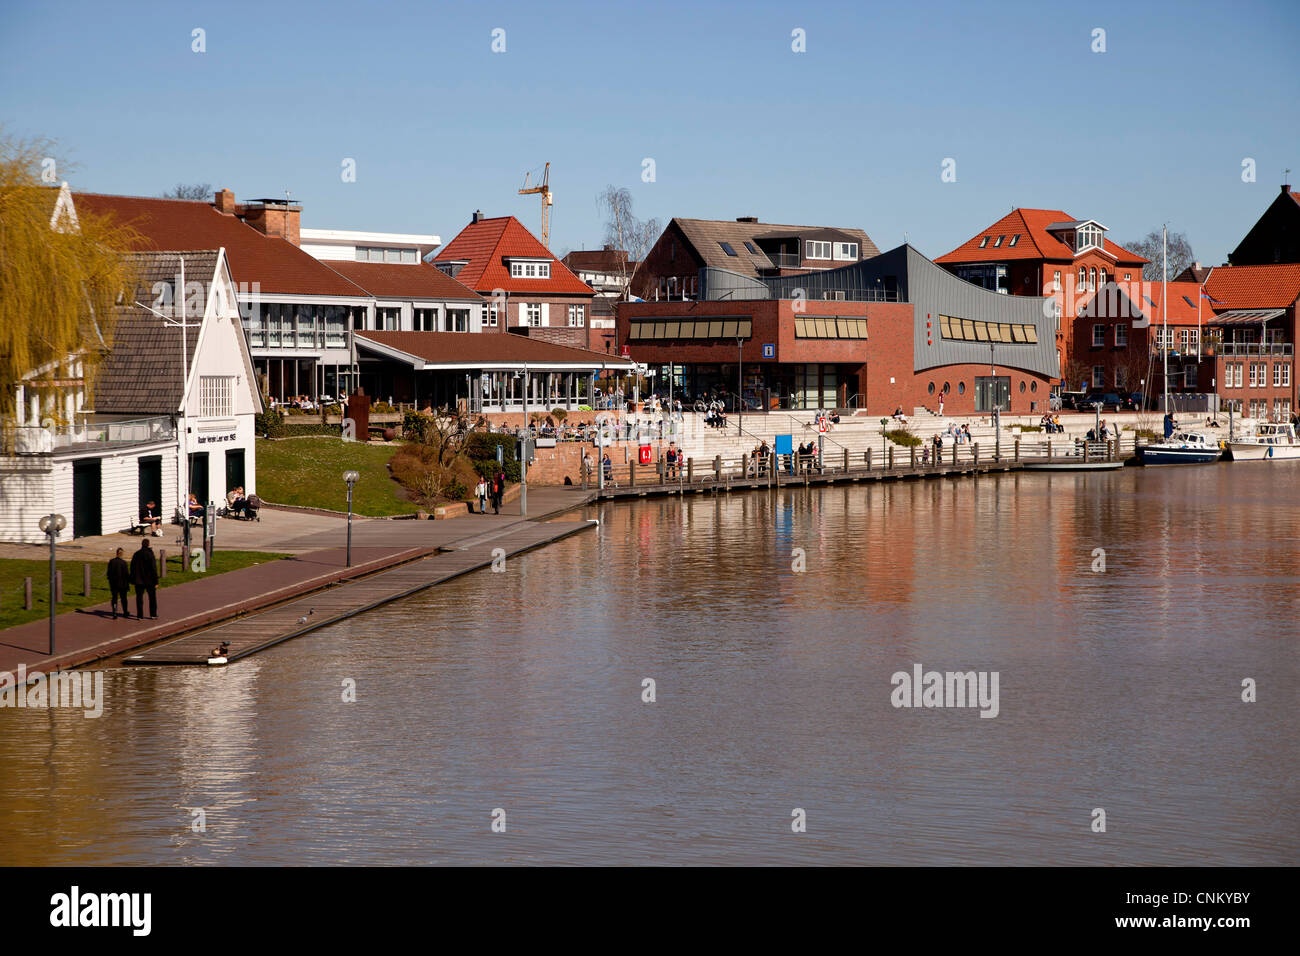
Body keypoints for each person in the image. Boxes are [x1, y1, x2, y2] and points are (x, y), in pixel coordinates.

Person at [130, 537, 159, 620]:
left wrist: (132, 578)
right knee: (152, 598)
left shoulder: (136, 554)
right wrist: (156, 581)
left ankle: (140, 615)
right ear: (148, 544)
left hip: (139, 580)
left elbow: (132, 567)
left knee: (139, 598)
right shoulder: (150, 554)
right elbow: (153, 568)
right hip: (149, 580)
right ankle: (153, 614)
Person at [107, 547, 131, 620]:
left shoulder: (111, 561)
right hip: (122, 583)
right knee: (123, 598)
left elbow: (109, 573)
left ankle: (114, 612)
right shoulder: (123, 563)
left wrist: (110, 580)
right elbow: (126, 574)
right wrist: (128, 583)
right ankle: (125, 612)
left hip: (114, 583)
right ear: (122, 554)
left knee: (114, 598)